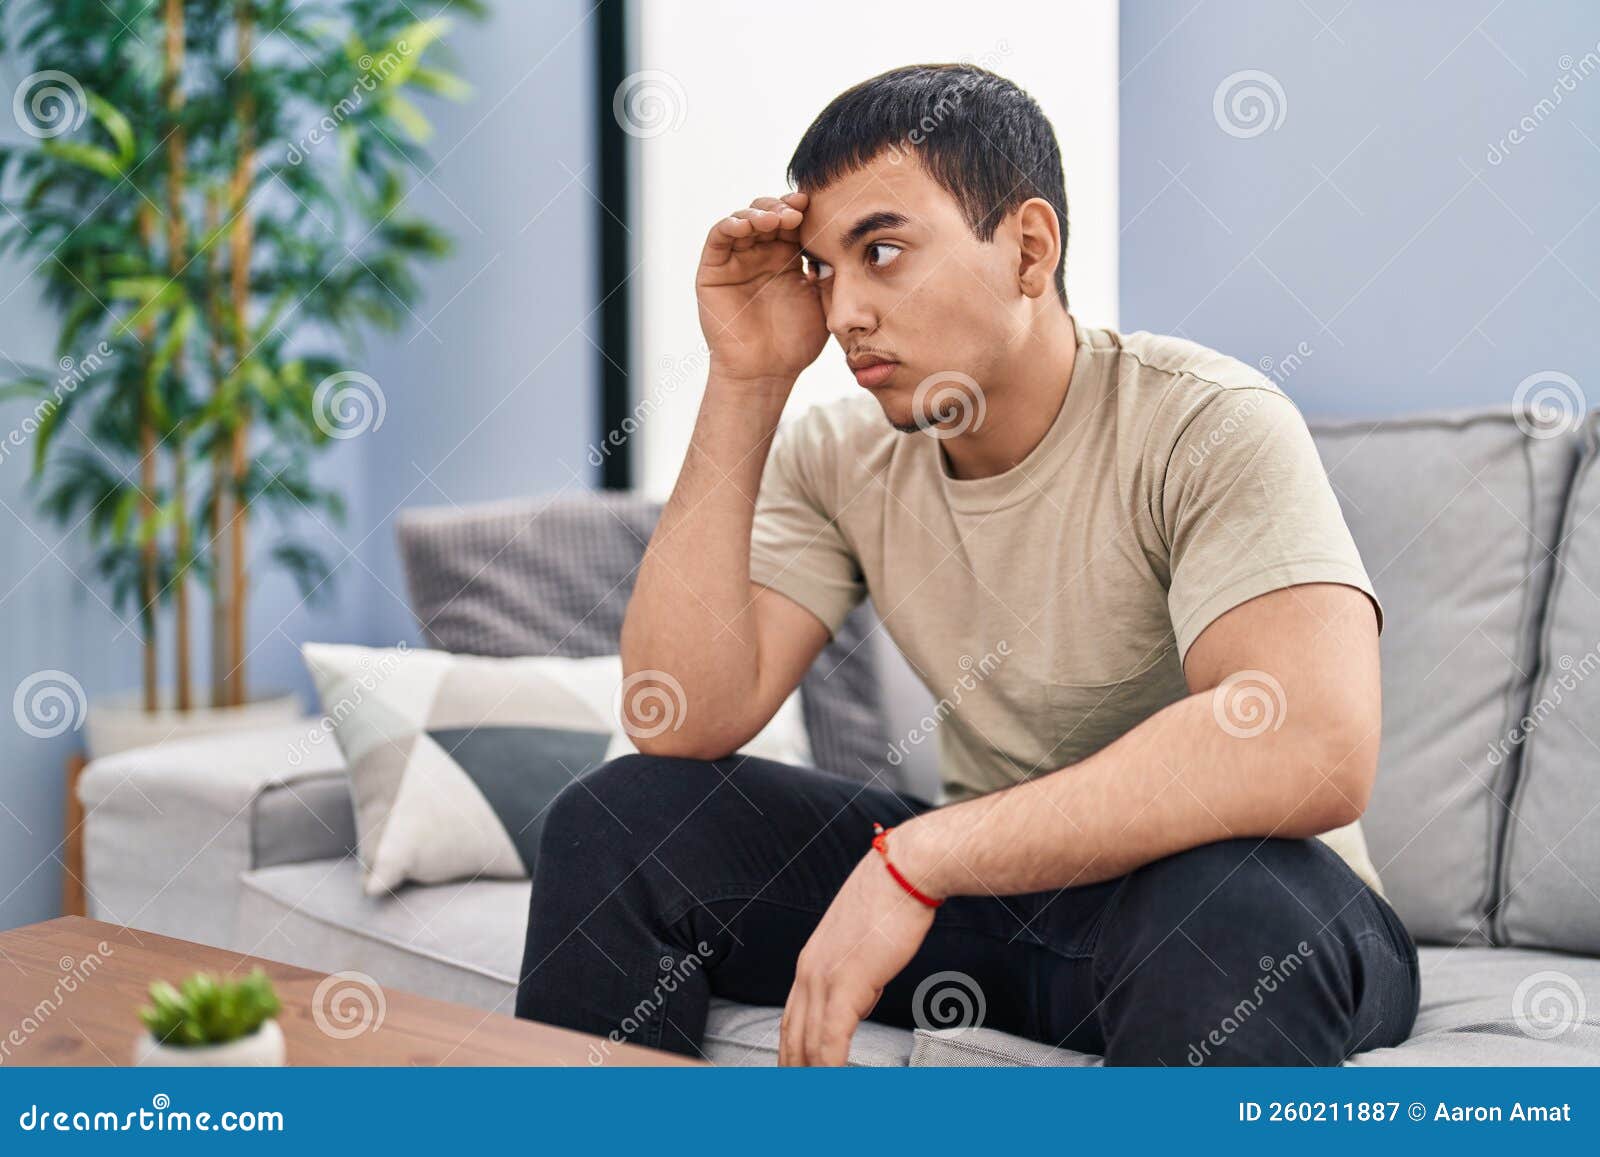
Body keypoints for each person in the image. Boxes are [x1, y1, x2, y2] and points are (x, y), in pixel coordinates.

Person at [514, 63, 1419, 1066]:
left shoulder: (1204, 420)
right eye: (824, 269)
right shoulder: (839, 455)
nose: (845, 311)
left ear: (1028, 249)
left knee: (1228, 904)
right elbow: (674, 717)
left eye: (883, 251)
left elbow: (1311, 741)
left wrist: (922, 856)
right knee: (620, 816)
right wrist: (746, 377)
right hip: (1000, 910)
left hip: (1245, 910)